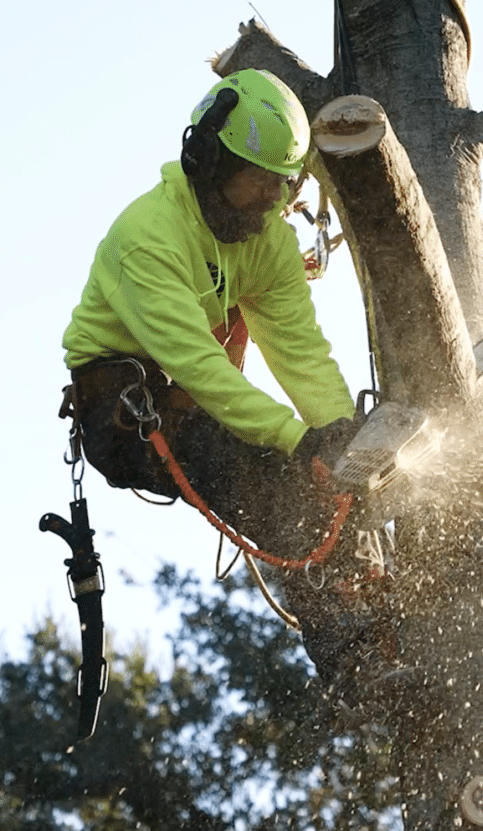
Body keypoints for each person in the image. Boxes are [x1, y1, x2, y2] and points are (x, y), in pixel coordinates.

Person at [60, 68, 362, 569]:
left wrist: (340, 433)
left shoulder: (269, 241)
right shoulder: (147, 239)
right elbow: (201, 368)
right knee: (267, 482)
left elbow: (300, 350)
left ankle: (368, 583)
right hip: (126, 410)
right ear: (211, 163)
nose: (273, 199)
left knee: (312, 477)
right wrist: (300, 440)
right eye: (262, 180)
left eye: (281, 183)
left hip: (200, 401)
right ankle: (339, 611)